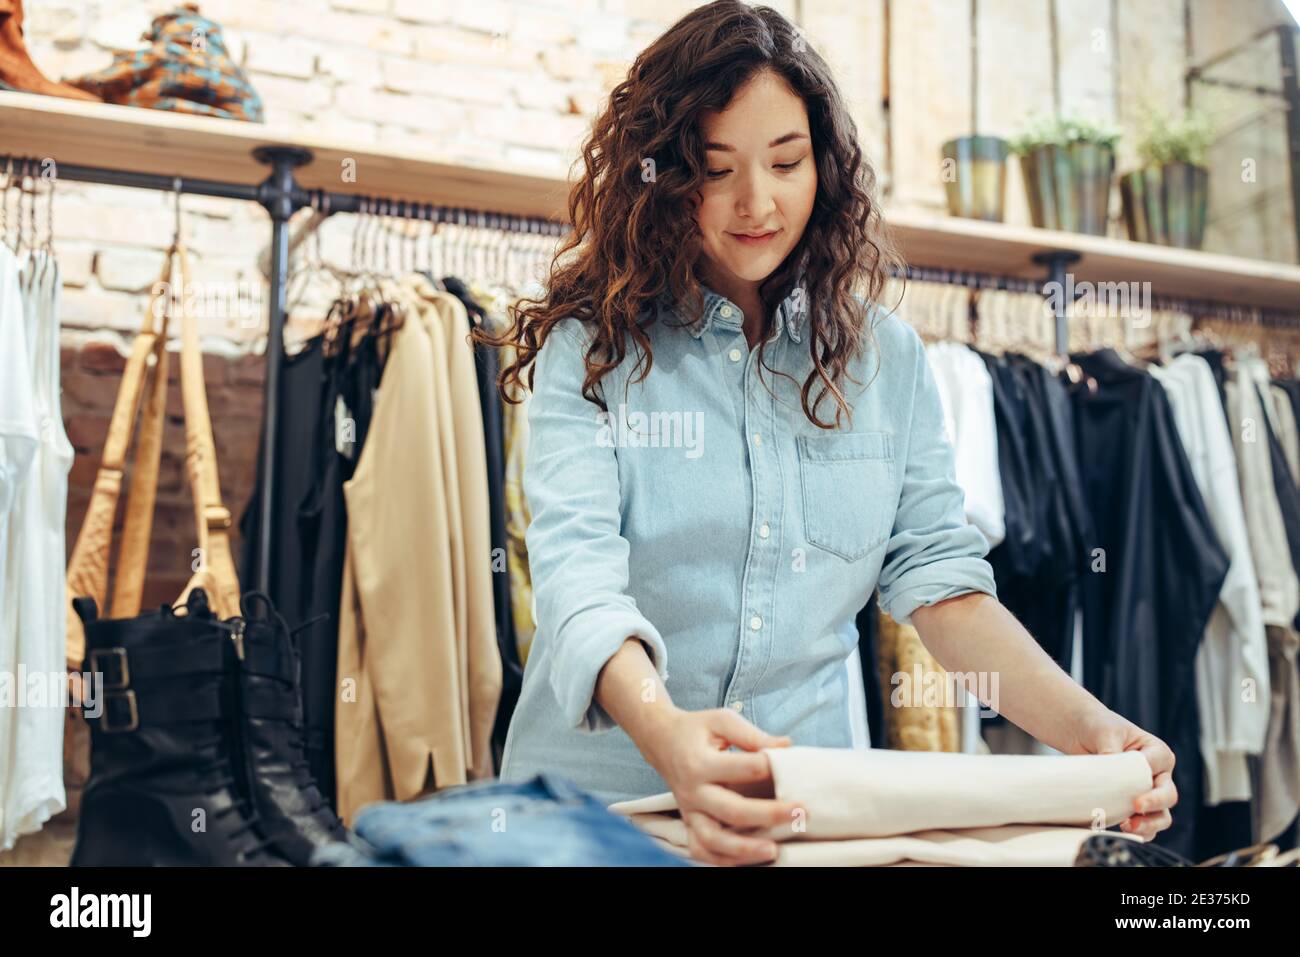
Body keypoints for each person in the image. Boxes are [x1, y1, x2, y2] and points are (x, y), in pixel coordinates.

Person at [474, 0, 1176, 867]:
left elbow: (943, 586)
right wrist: (671, 739)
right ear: (663, 174)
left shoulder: (887, 361)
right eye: (715, 167)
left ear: (827, 165)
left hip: (804, 819)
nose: (755, 202)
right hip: (597, 811)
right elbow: (579, 587)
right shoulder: (594, 349)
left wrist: (1089, 727)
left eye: (786, 160)